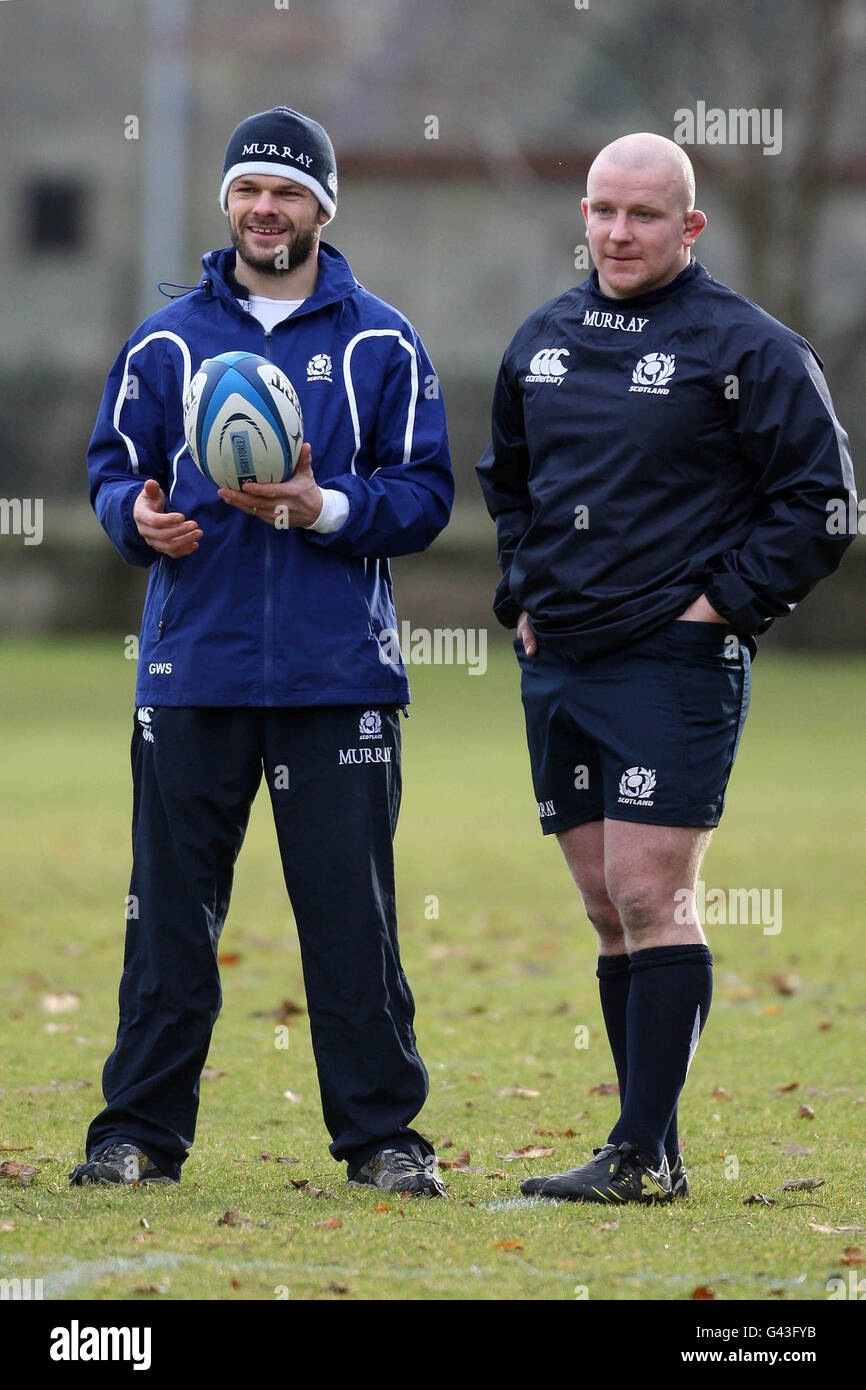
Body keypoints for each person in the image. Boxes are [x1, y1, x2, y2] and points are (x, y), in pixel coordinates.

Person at [71, 107, 453, 1197]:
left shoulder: (381, 340)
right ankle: (135, 1134)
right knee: (168, 918)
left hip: (341, 680)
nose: (264, 208)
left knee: (351, 921)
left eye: (286, 193)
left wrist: (323, 504)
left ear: (322, 209)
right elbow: (111, 469)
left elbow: (425, 496)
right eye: (248, 190)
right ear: (227, 203)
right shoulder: (167, 342)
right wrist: (130, 518)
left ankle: (384, 1140)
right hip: (194, 671)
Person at [476, 131, 856, 1204]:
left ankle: (636, 1156)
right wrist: (518, 597)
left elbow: (821, 503)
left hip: (672, 661)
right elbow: (507, 483)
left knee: (651, 890)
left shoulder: (747, 347)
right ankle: (654, 1149)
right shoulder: (541, 339)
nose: (615, 231)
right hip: (561, 662)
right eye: (600, 209)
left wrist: (717, 605)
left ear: (687, 225)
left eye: (642, 214)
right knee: (606, 906)